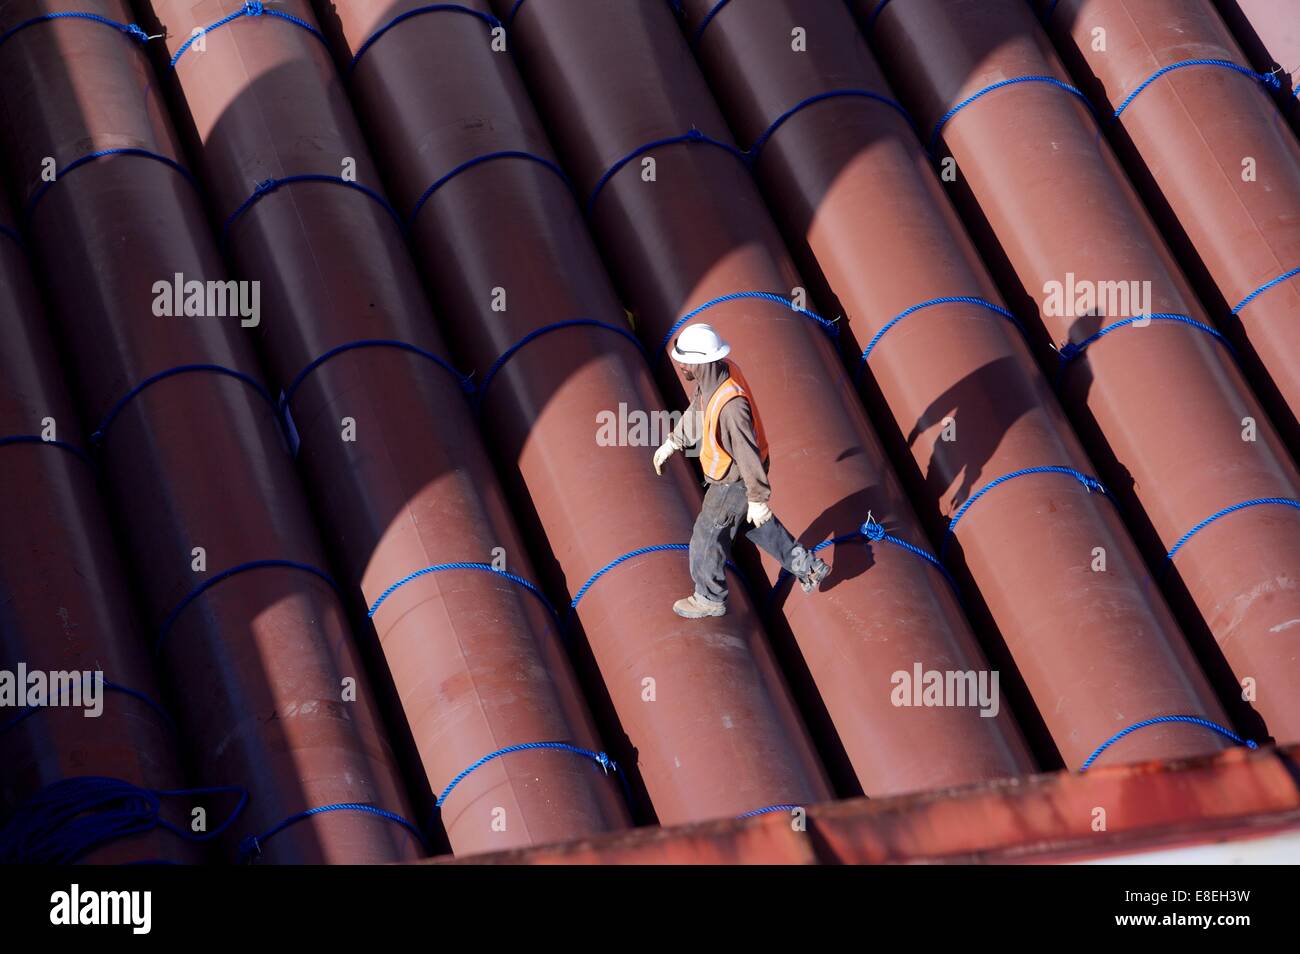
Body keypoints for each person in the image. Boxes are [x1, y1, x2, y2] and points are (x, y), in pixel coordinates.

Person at [652, 323, 830, 618]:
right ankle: (808, 567)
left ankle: (709, 597)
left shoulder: (731, 406)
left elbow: (746, 453)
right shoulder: (717, 375)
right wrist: (674, 442)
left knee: (707, 536)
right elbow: (699, 407)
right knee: (753, 525)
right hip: (739, 474)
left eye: (684, 360)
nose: (679, 364)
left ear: (700, 361)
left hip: (735, 480)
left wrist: (758, 498)